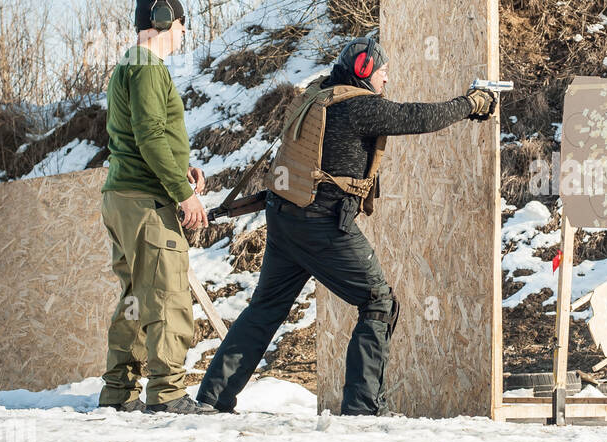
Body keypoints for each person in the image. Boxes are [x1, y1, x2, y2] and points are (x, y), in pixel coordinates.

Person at [195, 36, 497, 415]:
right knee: (378, 301)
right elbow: (416, 117)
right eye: (383, 73)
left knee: (265, 307)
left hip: (285, 217)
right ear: (364, 71)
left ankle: (212, 396)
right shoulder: (359, 107)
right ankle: (363, 408)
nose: (386, 81)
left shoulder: (318, 92)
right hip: (320, 224)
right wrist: (471, 104)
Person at [99, 0, 216, 414]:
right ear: (167, 20)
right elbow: (149, 136)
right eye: (183, 26)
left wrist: (181, 168)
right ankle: (167, 395)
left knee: (134, 296)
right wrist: (184, 195)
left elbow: (142, 137)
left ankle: (117, 394)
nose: (184, 35)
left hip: (122, 196)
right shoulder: (148, 67)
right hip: (145, 202)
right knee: (167, 294)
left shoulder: (127, 66)